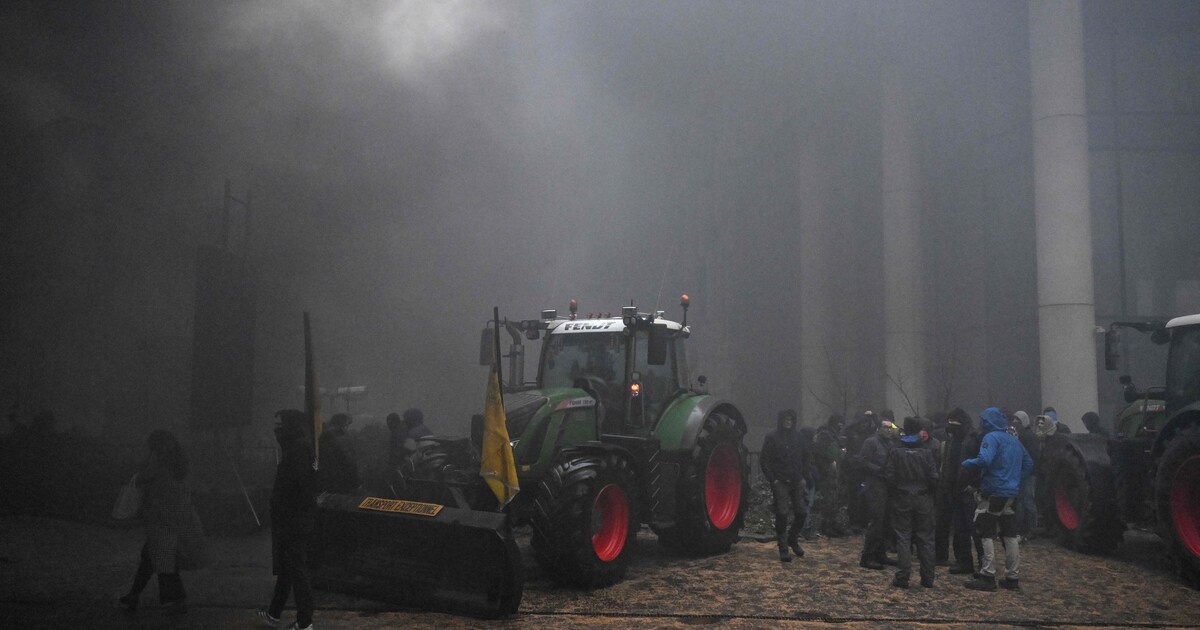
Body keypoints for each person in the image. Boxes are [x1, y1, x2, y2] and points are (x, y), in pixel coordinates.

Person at [119, 430, 207, 616]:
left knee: (158, 558)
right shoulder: (181, 464)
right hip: (179, 517)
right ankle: (143, 595)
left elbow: (148, 481)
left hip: (162, 519)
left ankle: (171, 598)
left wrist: (137, 481)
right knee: (155, 557)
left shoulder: (160, 464)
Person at [962, 407, 1034, 592]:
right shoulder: (1014, 440)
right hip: (1011, 494)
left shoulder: (991, 438)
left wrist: (967, 464)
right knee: (1009, 534)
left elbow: (984, 460)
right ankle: (1012, 577)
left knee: (984, 531)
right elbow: (1029, 463)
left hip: (993, 492)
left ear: (987, 422)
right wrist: (1016, 480)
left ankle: (988, 574)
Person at [257, 410, 318, 630]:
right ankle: (274, 613)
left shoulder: (297, 449)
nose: (276, 429)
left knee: (296, 568)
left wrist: (283, 507)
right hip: (295, 517)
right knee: (288, 567)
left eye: (279, 424)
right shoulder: (299, 446)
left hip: (293, 518)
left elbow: (296, 485)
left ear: (289, 426)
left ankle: (305, 622)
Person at [886, 417, 940, 588]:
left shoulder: (895, 451)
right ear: (919, 431)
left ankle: (902, 577)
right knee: (926, 538)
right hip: (924, 498)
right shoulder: (926, 452)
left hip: (902, 497)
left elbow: (889, 476)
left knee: (903, 537)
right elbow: (934, 477)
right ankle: (928, 578)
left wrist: (897, 491)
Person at [760, 409, 810, 562]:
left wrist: (803, 475)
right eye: (786, 419)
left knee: (801, 512)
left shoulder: (799, 437)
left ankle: (792, 539)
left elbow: (807, 456)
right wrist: (773, 479)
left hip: (796, 479)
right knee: (782, 514)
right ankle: (783, 547)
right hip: (780, 481)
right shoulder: (772, 437)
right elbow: (764, 460)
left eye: (791, 419)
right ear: (781, 420)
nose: (788, 422)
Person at [937, 408, 978, 575]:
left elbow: (976, 465)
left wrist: (973, 485)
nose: (951, 426)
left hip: (966, 490)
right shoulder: (953, 441)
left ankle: (975, 563)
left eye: (954, 423)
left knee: (971, 529)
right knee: (960, 528)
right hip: (952, 488)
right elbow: (947, 465)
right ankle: (963, 560)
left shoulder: (970, 441)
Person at [854, 417, 896, 569]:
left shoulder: (891, 444)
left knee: (886, 522)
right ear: (879, 428)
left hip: (887, 486)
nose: (888, 430)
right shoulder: (871, 442)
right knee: (876, 522)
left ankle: (881, 554)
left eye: (890, 427)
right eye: (885, 427)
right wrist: (879, 470)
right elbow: (861, 461)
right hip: (874, 485)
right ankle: (867, 557)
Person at [811, 414, 847, 537]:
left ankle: (831, 524)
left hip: (833, 472)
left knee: (834, 499)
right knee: (829, 500)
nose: (841, 426)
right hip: (827, 473)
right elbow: (819, 452)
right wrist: (828, 463)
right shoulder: (825, 435)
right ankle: (827, 526)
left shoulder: (832, 434)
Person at [317, 413, 359, 493]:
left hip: (331, 478)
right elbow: (348, 459)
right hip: (340, 478)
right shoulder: (339, 437)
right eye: (347, 424)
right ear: (342, 424)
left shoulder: (325, 436)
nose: (347, 427)